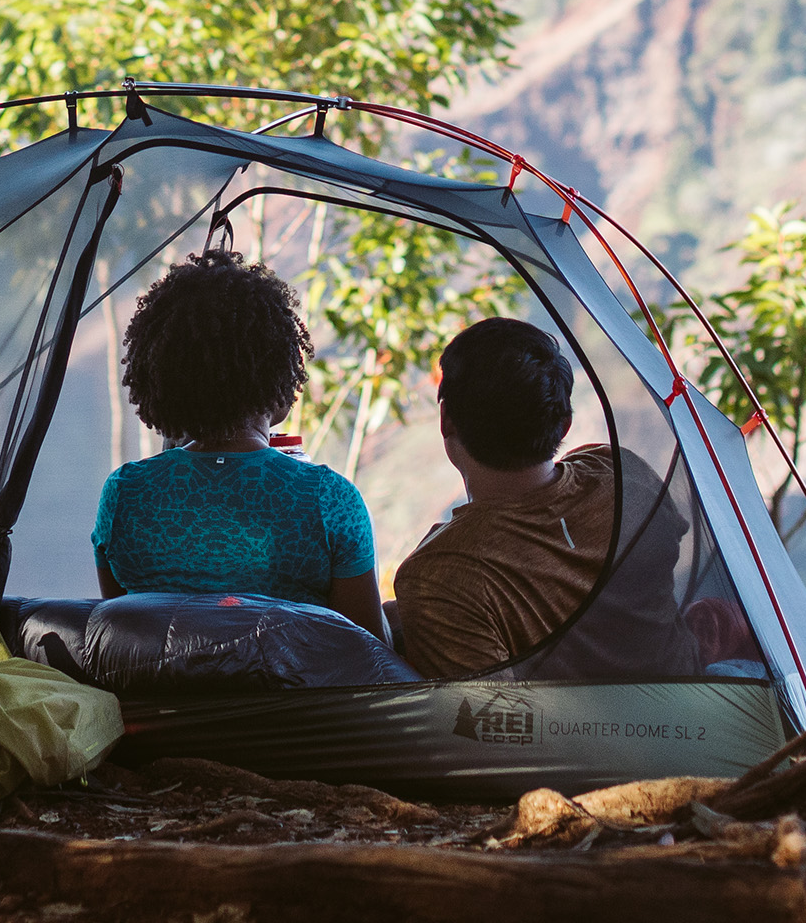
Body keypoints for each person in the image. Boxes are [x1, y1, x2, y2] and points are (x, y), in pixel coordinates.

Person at [91, 248, 388, 642]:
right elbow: (369, 652)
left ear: (162, 377)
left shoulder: (124, 495)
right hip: (294, 703)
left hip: (162, 705)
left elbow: (126, 635)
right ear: (279, 372)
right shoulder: (329, 500)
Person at [392, 317, 696, 679]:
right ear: (564, 424)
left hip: (583, 736)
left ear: (446, 420)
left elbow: (485, 723)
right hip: (695, 706)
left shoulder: (438, 578)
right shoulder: (621, 473)